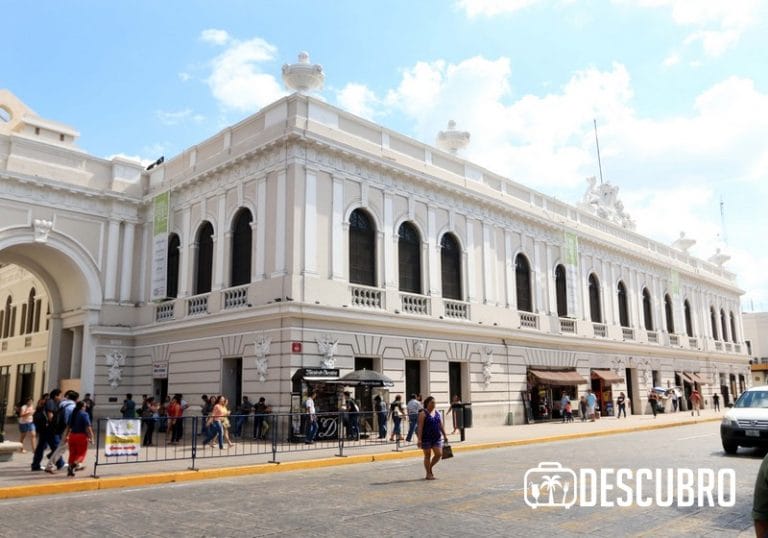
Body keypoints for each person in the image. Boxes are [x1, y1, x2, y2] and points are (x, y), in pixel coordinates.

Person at [45, 390, 78, 474]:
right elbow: (69, 421)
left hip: (59, 429)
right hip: (66, 429)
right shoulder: (71, 407)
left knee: (69, 447)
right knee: (62, 448)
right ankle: (50, 466)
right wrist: (69, 432)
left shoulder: (63, 404)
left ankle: (76, 464)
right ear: (76, 399)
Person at [417, 396, 449, 480]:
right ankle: (428, 473)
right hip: (426, 437)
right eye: (432, 402)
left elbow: (440, 425)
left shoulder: (437, 413)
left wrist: (445, 435)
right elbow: (420, 427)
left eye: (435, 403)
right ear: (427, 403)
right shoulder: (423, 413)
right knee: (427, 455)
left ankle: (430, 468)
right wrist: (419, 439)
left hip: (436, 437)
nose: (434, 404)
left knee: (439, 454)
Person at [62, 401, 94, 477]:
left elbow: (68, 427)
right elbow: (88, 427)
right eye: (85, 406)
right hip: (81, 436)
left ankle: (70, 470)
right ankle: (74, 465)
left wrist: (66, 436)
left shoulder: (72, 414)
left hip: (72, 436)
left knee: (72, 453)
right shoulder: (84, 414)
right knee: (81, 454)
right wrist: (91, 437)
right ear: (82, 407)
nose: (85, 408)